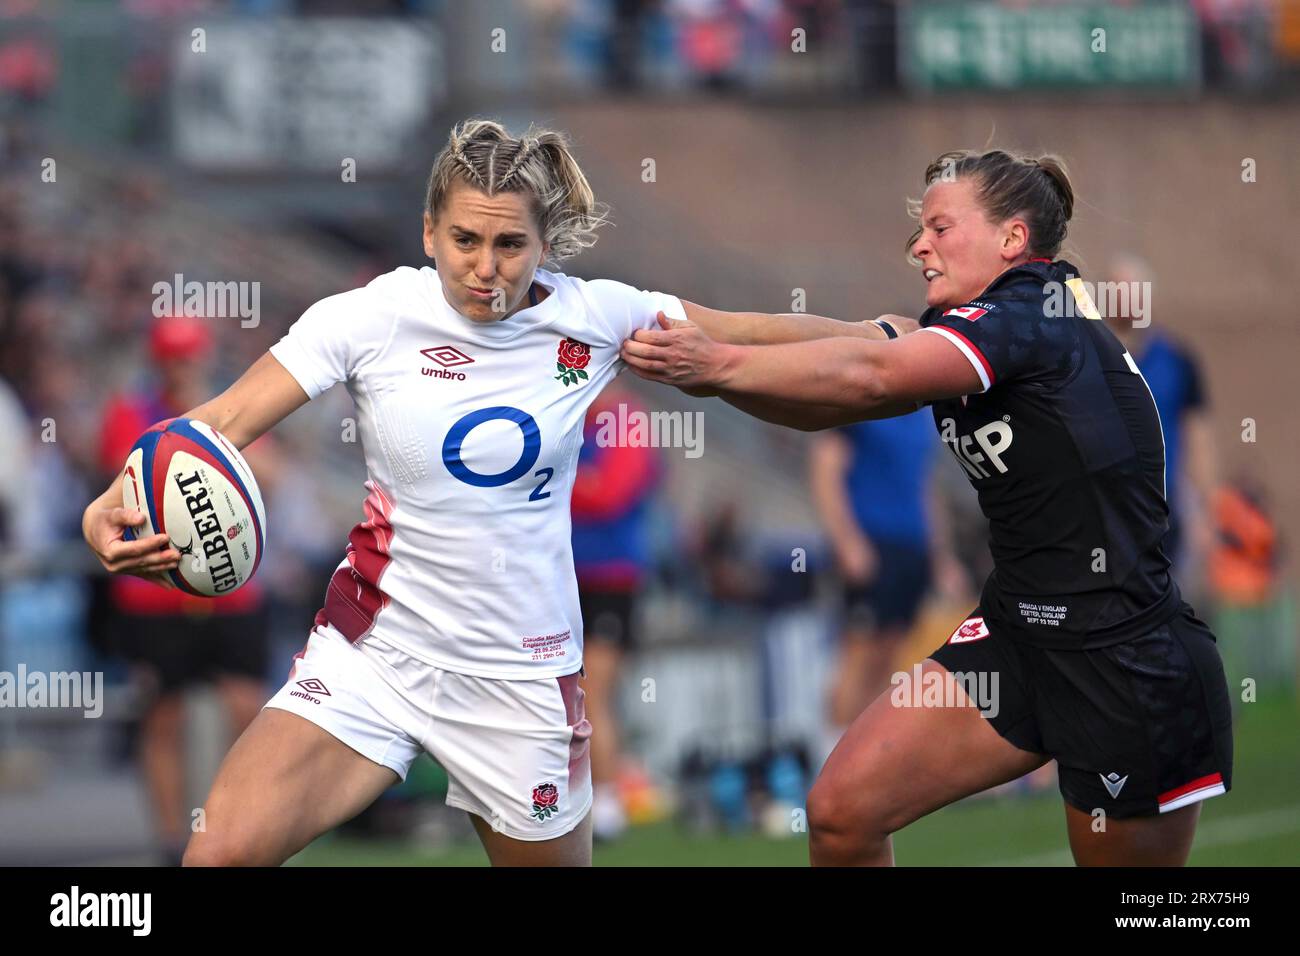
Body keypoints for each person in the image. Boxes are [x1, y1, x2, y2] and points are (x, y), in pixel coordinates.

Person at [82, 118, 906, 867]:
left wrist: (886, 340)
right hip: (375, 651)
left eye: (510, 244)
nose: (486, 268)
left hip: (522, 677)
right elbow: (215, 422)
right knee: (217, 857)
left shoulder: (602, 317)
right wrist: (105, 508)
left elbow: (749, 330)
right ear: (429, 233)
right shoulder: (367, 318)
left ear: (545, 244)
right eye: (465, 240)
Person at [620, 148, 1234, 866]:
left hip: (1124, 656)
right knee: (842, 814)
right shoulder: (973, 326)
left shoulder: (1034, 311)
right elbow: (842, 356)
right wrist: (675, 321)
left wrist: (717, 368)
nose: (918, 245)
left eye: (940, 227)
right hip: (1018, 639)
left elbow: (870, 377)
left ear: (1011, 239)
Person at [96, 314, 272, 865]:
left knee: (247, 708)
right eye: (174, 356)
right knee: (164, 715)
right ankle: (171, 844)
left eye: (189, 354)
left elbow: (269, 476)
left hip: (227, 590)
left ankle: (229, 827)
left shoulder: (228, 409)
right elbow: (121, 481)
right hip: (155, 593)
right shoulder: (131, 412)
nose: (182, 365)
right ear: (157, 358)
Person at [809, 413, 968, 738]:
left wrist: (941, 558)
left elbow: (925, 487)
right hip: (871, 543)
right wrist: (846, 541)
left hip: (911, 549)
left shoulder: (924, 415)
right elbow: (825, 468)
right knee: (859, 655)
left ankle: (867, 755)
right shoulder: (860, 407)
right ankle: (827, 760)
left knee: (891, 654)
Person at [570, 381, 661, 840]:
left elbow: (610, 493)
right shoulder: (573, 417)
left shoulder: (623, 420)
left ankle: (605, 803)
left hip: (610, 579)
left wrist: (555, 478)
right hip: (564, 577)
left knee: (591, 693)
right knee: (571, 695)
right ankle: (585, 800)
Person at [1104, 253, 1217, 587]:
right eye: (1119, 289)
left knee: (1161, 598)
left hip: (1162, 507)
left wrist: (1207, 510)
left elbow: (1199, 438)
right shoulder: (1086, 356)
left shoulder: (1178, 360)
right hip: (1102, 505)